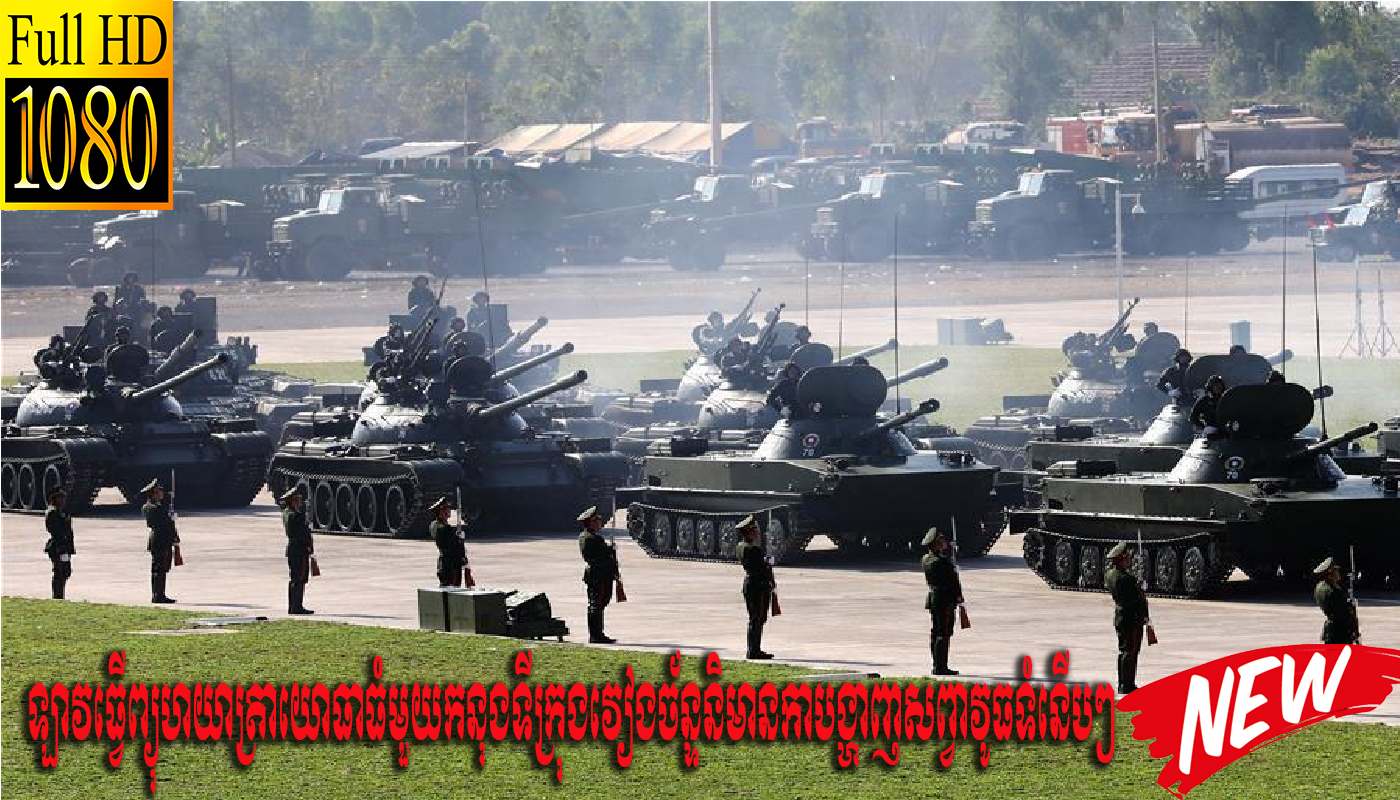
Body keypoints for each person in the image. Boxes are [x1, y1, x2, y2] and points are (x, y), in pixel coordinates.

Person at [1105, 542, 1148, 694]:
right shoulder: (1127, 580)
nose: (1130, 560)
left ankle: (1123, 683)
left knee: (1124, 651)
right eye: (1128, 558)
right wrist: (1140, 587)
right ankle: (1127, 684)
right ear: (1122, 559)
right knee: (1131, 652)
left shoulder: (1110, 575)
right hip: (1131, 618)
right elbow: (1135, 599)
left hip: (1121, 617)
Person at [922, 527, 963, 676]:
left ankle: (937, 664)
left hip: (934, 599)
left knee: (936, 632)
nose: (945, 543)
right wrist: (959, 598)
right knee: (944, 633)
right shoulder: (942, 562)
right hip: (945, 600)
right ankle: (941, 667)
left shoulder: (926, 559)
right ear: (936, 544)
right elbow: (952, 583)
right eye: (941, 541)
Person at [578, 506, 620, 644]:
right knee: (596, 605)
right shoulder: (591, 539)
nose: (599, 522)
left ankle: (597, 634)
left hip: (599, 575)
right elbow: (598, 558)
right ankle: (596, 635)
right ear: (589, 522)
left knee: (598, 605)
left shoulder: (591, 537)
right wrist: (610, 552)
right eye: (596, 520)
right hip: (599, 576)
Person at [735, 515, 775, 660]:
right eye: (754, 530)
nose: (756, 533)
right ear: (749, 532)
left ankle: (754, 649)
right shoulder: (753, 550)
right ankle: (753, 650)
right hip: (757, 586)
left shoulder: (741, 547)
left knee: (756, 618)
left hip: (751, 584)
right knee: (757, 618)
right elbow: (761, 569)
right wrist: (767, 563)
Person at [142, 480, 179, 604]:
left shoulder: (157, 507)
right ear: (153, 493)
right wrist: (169, 519)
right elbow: (158, 524)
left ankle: (160, 594)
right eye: (159, 491)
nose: (162, 493)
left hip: (162, 540)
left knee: (161, 569)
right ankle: (158, 596)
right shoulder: (151, 508)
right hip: (159, 540)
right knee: (159, 569)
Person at [282, 488, 315, 615]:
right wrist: (308, 546)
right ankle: (296, 607)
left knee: (296, 578)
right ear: (293, 501)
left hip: (294, 549)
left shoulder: (288, 513)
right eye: (298, 499)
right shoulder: (294, 515)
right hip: (298, 549)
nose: (300, 502)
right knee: (299, 578)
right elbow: (299, 533)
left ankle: (294, 606)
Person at [1313, 557, 1359, 645]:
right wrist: (1350, 606)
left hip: (1331, 630)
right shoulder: (1332, 591)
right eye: (1336, 571)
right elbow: (1344, 613)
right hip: (1340, 633)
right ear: (1330, 573)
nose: (1338, 573)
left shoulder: (1320, 587)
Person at [44, 489, 75, 600]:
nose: (63, 500)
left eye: (63, 497)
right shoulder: (52, 512)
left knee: (66, 571)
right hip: (57, 547)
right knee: (59, 572)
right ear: (54, 499)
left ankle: (60, 595)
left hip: (65, 547)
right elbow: (55, 531)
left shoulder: (63, 511)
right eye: (59, 498)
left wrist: (70, 548)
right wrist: (61, 548)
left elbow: (69, 531)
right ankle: (57, 597)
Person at [430, 497, 468, 587]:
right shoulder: (438, 526)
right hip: (448, 564)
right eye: (445, 509)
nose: (449, 511)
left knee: (455, 589)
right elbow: (448, 543)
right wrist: (458, 538)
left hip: (454, 563)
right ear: (440, 512)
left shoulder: (446, 526)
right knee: (449, 590)